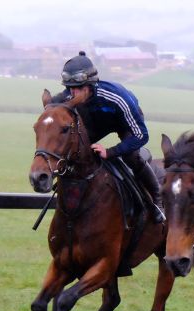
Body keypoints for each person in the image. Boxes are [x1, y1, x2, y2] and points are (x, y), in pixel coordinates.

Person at [55, 51, 165, 223]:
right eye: (69, 88)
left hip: (124, 123)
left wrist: (110, 152)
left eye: (77, 88)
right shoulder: (67, 95)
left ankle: (157, 200)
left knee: (131, 155)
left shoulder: (117, 97)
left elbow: (141, 136)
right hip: (96, 123)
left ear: (90, 85)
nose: (72, 93)